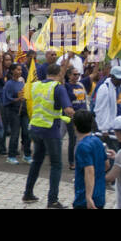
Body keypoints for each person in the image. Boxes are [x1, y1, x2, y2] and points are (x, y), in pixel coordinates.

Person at [23, 62, 75, 208]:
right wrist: (77, 116)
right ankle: (52, 200)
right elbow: (68, 109)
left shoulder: (36, 85)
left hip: (35, 127)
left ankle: (28, 193)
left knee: (36, 161)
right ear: (59, 74)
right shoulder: (58, 88)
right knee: (56, 165)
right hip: (50, 130)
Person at [72, 110, 107, 209]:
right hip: (100, 195)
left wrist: (88, 196)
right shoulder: (97, 141)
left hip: (84, 199)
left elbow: (89, 170)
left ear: (75, 126)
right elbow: (106, 164)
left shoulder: (82, 146)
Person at [1, 62, 26, 164]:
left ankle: (27, 154)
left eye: (20, 70)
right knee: (15, 133)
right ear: (12, 71)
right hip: (13, 111)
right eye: (17, 69)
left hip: (23, 110)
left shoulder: (21, 83)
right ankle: (11, 155)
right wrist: (17, 99)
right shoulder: (9, 84)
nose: (19, 71)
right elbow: (7, 99)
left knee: (26, 132)